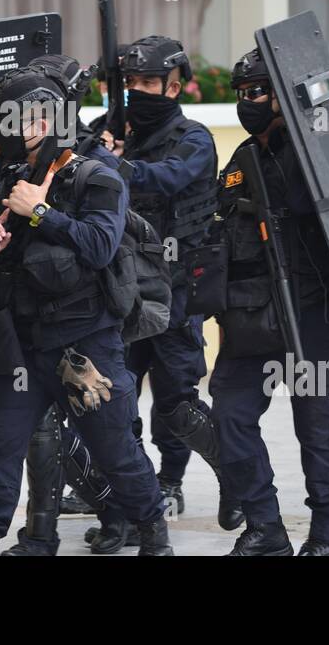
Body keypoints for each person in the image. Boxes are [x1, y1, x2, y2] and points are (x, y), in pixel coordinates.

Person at [0, 70, 171, 555]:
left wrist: (40, 213)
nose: (26, 126)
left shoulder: (96, 175)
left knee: (114, 448)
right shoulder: (14, 179)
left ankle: (153, 531)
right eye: (14, 119)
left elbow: (98, 246)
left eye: (35, 116)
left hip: (83, 342)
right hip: (22, 343)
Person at [189, 48, 329, 555]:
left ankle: (326, 532)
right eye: (241, 94)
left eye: (258, 92)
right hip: (251, 315)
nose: (247, 102)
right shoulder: (242, 158)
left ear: (282, 97)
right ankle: (266, 528)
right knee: (232, 417)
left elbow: (326, 203)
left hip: (310, 313)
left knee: (316, 427)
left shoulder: (317, 150)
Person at [93, 36, 221, 535]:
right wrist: (99, 147)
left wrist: (114, 162)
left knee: (175, 399)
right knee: (117, 399)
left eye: (150, 83)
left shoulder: (194, 138)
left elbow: (163, 180)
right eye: (133, 83)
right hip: (121, 288)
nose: (140, 92)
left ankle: (178, 480)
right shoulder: (114, 133)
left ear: (174, 87)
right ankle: (132, 493)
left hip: (175, 289)